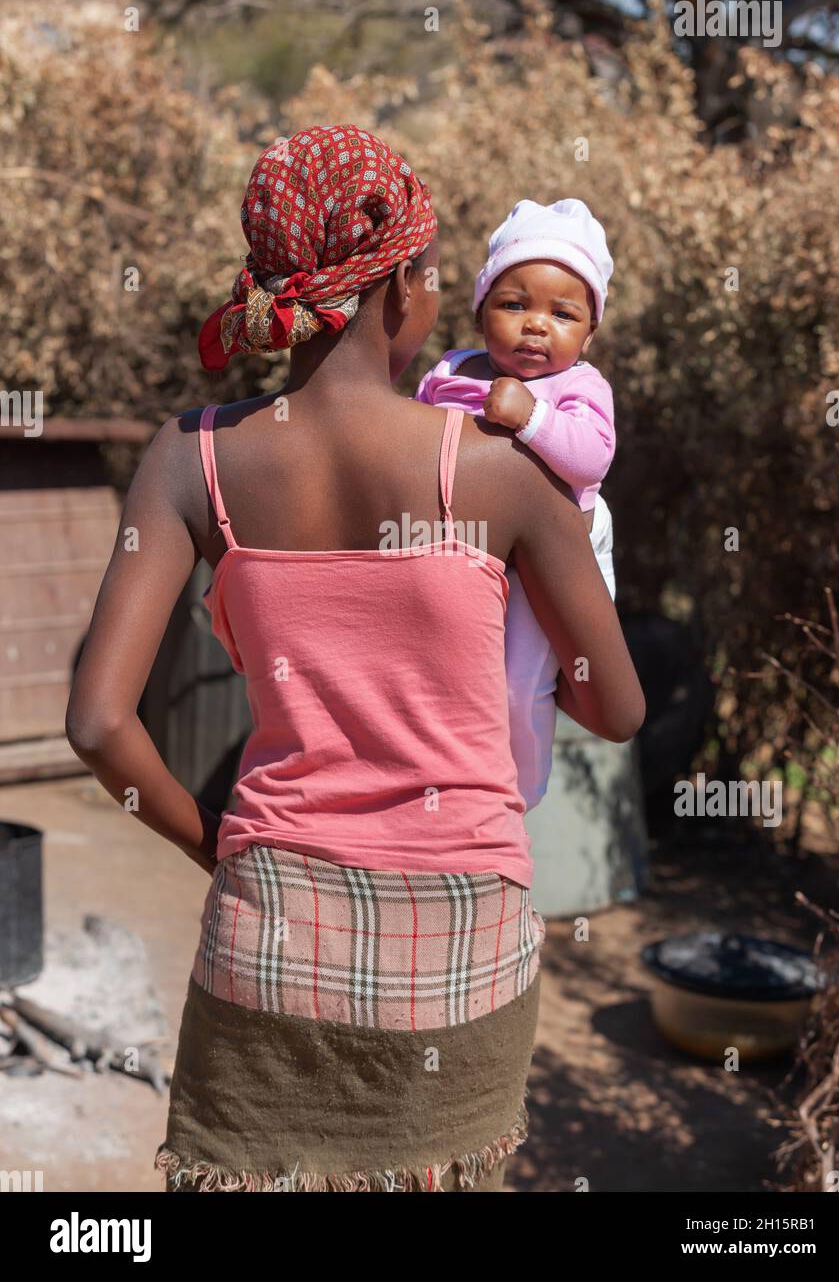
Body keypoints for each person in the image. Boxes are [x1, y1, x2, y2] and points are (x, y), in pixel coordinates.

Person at [65, 124, 645, 1192]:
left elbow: (99, 724)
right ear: (407, 289)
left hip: (271, 924)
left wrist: (231, 851)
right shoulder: (500, 471)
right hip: (459, 940)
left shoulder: (189, 457)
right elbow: (613, 707)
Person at [415, 197, 618, 810]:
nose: (536, 324)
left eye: (562, 313)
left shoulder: (577, 386)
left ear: (588, 332)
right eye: (514, 304)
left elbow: (591, 457)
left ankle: (516, 793)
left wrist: (530, 417)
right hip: (473, 550)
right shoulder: (450, 371)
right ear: (480, 314)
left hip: (554, 560)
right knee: (448, 672)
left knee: (519, 681)